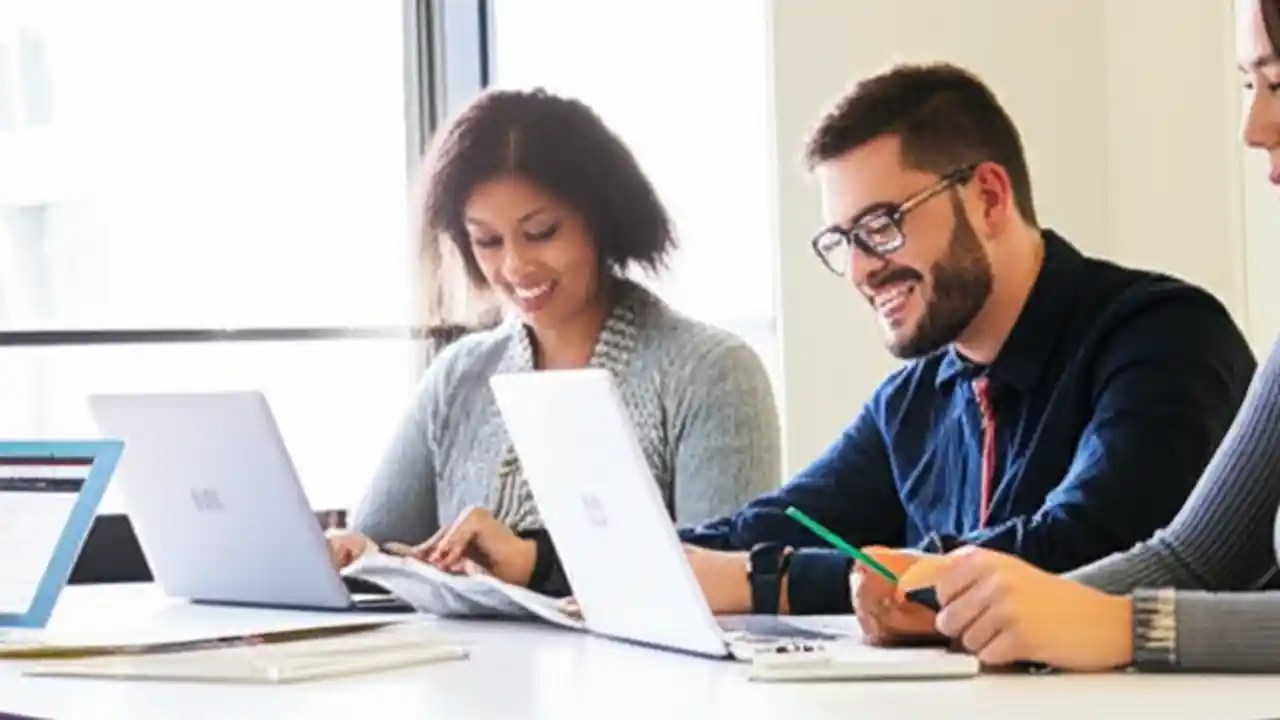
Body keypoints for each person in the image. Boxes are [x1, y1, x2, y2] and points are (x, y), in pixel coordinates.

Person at [678, 62, 1257, 618]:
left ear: (988, 197)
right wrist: (622, 556)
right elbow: (770, 527)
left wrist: (773, 581)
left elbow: (1087, 550)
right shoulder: (911, 401)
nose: (860, 270)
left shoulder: (1165, 337)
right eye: (843, 240)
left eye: (881, 226)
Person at [883, 0, 1280, 673]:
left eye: (1276, 84)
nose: (1251, 126)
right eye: (1249, 86)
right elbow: (1193, 556)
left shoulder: (1160, 330)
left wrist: (1131, 629)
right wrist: (982, 616)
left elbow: (1138, 608)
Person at [326, 88, 781, 596]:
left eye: (541, 232)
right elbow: (373, 558)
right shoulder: (459, 376)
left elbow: (725, 586)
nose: (515, 266)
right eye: (487, 241)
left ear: (602, 217)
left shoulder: (711, 372)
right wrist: (356, 553)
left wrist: (531, 566)